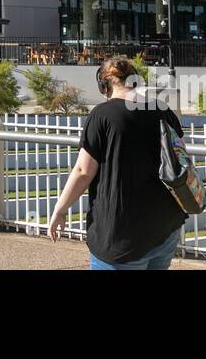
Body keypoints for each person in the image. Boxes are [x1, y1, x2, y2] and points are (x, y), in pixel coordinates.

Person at [47, 56, 188, 269]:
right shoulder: (162, 109)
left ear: (105, 85)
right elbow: (181, 156)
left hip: (121, 235)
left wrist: (59, 210)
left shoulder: (102, 115)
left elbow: (83, 172)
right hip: (165, 226)